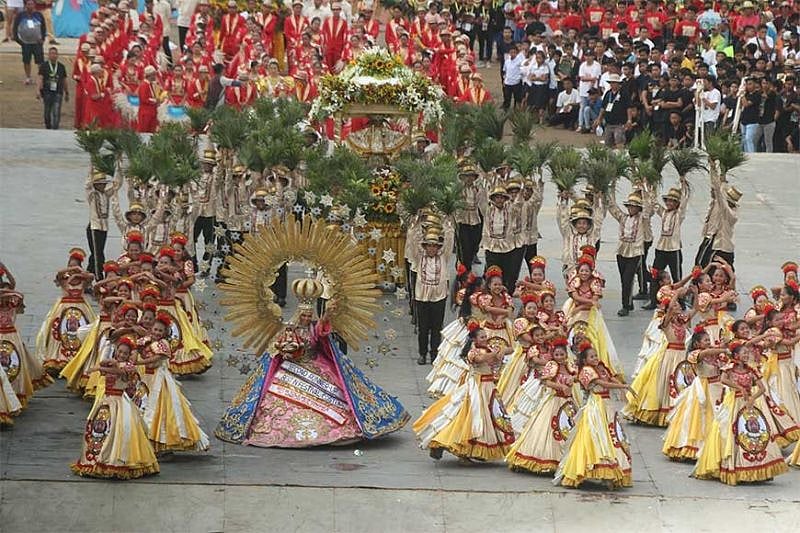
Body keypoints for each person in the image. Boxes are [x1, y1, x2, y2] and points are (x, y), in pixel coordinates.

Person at [216, 279, 409, 447]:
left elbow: (321, 333)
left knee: (337, 395)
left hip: (316, 367)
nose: (307, 319)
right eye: (304, 316)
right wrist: (285, 350)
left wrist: (326, 316)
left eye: (310, 316)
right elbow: (277, 346)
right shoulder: (290, 329)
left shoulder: (314, 329)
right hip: (289, 369)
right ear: (299, 315)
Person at [414, 321, 515, 463]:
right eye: (482, 337)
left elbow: (509, 350)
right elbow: (479, 359)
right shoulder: (473, 351)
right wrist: (493, 353)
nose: (485, 339)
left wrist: (502, 350)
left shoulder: (488, 348)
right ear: (474, 339)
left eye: (486, 336)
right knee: (470, 417)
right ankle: (456, 448)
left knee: (488, 417)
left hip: (489, 386)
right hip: (477, 387)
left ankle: (475, 450)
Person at [693, 340, 791, 485]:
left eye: (747, 353)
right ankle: (735, 467)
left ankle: (758, 469)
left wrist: (752, 398)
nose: (747, 355)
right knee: (732, 432)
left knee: (756, 434)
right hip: (734, 402)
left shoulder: (752, 370)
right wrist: (739, 388)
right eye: (744, 353)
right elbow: (723, 380)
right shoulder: (729, 368)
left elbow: (762, 388)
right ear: (735, 355)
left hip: (749, 404)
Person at [71, 337, 160, 480]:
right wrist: (106, 359)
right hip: (107, 400)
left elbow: (121, 373)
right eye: (120, 352)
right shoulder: (111, 363)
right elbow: (106, 364)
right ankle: (98, 459)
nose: (122, 355)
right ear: (116, 351)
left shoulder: (129, 366)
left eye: (125, 353)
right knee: (101, 429)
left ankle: (116, 461)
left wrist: (102, 367)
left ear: (129, 354)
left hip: (120, 402)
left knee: (120, 430)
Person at [553, 340, 635, 489]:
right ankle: (592, 471)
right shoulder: (586, 371)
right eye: (591, 356)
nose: (595, 358)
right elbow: (603, 384)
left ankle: (610, 473)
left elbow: (610, 378)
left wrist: (622, 388)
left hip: (607, 406)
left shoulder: (601, 367)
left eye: (596, 355)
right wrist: (623, 386)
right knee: (596, 436)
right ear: (584, 360)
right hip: (595, 406)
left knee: (611, 436)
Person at [505, 336, 579, 475]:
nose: (559, 357)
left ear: (566, 354)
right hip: (553, 401)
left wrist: (572, 379)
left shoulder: (570, 365)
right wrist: (561, 386)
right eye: (556, 354)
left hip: (568, 403)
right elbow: (546, 382)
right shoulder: (551, 366)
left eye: (561, 354)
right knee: (547, 428)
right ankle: (546, 459)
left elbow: (577, 376)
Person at [607, 190, 653, 317]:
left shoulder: (643, 219)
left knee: (628, 279)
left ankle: (625, 306)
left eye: (634, 206)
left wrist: (646, 189)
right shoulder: (623, 217)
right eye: (630, 206)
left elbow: (649, 209)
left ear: (638, 208)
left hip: (635, 253)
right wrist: (608, 190)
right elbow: (613, 208)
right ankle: (629, 302)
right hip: (622, 252)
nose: (631, 208)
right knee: (624, 279)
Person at [414, 226, 455, 366]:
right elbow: (413, 240)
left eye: (434, 246)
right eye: (429, 246)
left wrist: (448, 223)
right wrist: (417, 222)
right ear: (425, 247)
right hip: (422, 297)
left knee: (437, 327)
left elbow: (449, 241)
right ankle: (422, 353)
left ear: (438, 247)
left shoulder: (443, 257)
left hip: (439, 297)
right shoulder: (419, 257)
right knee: (423, 327)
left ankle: (434, 354)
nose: (431, 249)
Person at [13, 0, 46, 85]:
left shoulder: (39, 15)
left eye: (31, 4)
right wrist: (18, 40)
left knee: (40, 61)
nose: (30, 6)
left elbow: (43, 27)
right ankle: (28, 77)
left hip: (37, 43)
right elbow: (15, 28)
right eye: (28, 4)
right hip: (25, 43)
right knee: (26, 61)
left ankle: (41, 77)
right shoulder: (20, 15)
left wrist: (43, 39)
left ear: (34, 5)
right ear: (25, 5)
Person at [594, 73, 631, 148]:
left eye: (614, 82)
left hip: (619, 123)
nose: (612, 84)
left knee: (619, 141)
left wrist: (629, 119)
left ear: (618, 84)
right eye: (611, 83)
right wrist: (599, 118)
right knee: (608, 143)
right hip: (608, 123)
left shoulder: (624, 93)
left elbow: (628, 107)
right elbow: (603, 107)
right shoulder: (608, 93)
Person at [36, 46, 67, 129]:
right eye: (52, 53)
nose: (53, 55)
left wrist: (66, 92)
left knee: (56, 110)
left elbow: (64, 80)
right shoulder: (44, 66)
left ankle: (55, 127)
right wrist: (38, 90)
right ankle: (48, 126)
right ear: (48, 55)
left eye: (55, 53)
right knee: (47, 111)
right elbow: (40, 78)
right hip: (47, 91)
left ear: (58, 55)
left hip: (58, 91)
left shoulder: (61, 67)